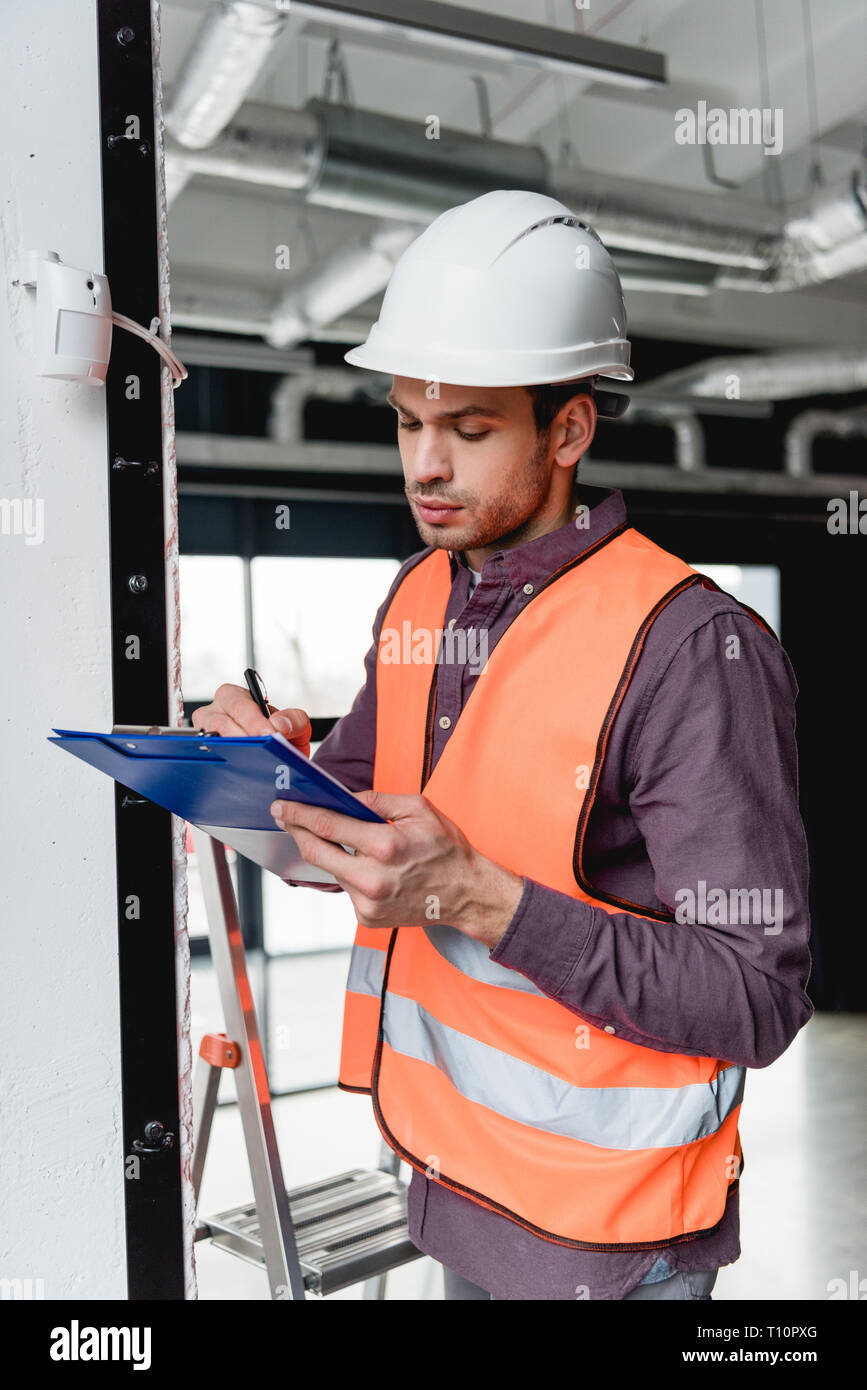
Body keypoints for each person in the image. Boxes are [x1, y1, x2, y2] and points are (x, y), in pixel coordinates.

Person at [194, 190, 813, 1301]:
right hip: (451, 1181)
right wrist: (255, 771)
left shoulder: (691, 649)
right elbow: (357, 808)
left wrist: (483, 897)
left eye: (470, 430)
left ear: (569, 429)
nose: (425, 466)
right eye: (406, 420)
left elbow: (755, 998)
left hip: (606, 1233)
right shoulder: (426, 592)